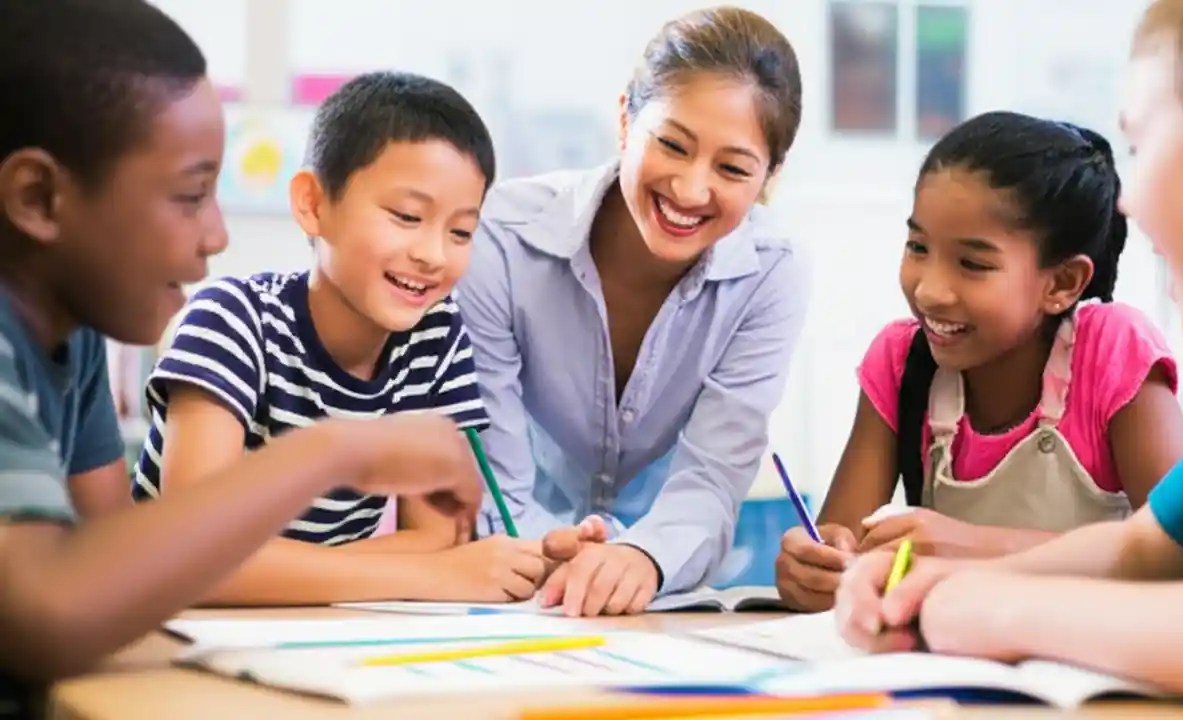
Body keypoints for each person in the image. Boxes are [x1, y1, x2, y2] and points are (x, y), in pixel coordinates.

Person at [0, 1, 480, 715]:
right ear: (39, 197)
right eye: (192, 196)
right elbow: (46, 616)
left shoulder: (74, 340)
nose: (218, 234)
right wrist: (339, 449)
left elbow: (120, 563)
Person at [836, 0, 1183, 713]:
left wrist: (1001, 612)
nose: (1127, 202)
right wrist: (937, 583)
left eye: (1141, 148)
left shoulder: (1121, 353)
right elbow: (1143, 549)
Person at [130, 71, 558, 605]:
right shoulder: (231, 321)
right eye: (407, 216)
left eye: (460, 231)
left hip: (316, 632)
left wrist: (263, 571)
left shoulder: (434, 338)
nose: (433, 253)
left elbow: (435, 536)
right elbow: (190, 560)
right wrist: (435, 575)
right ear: (312, 203)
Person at [456, 6, 807, 617]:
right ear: (625, 120)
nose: (691, 190)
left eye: (732, 168)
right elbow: (493, 468)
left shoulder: (771, 274)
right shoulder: (502, 240)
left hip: (658, 599)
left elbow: (712, 477)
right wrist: (554, 555)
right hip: (510, 579)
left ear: (770, 175)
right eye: (672, 144)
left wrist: (641, 558)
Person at [776, 111, 1183, 612]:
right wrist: (817, 569)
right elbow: (839, 540)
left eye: (972, 264)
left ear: (1061, 284)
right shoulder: (903, 361)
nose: (929, 289)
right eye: (917, 247)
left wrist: (974, 549)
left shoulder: (1114, 351)